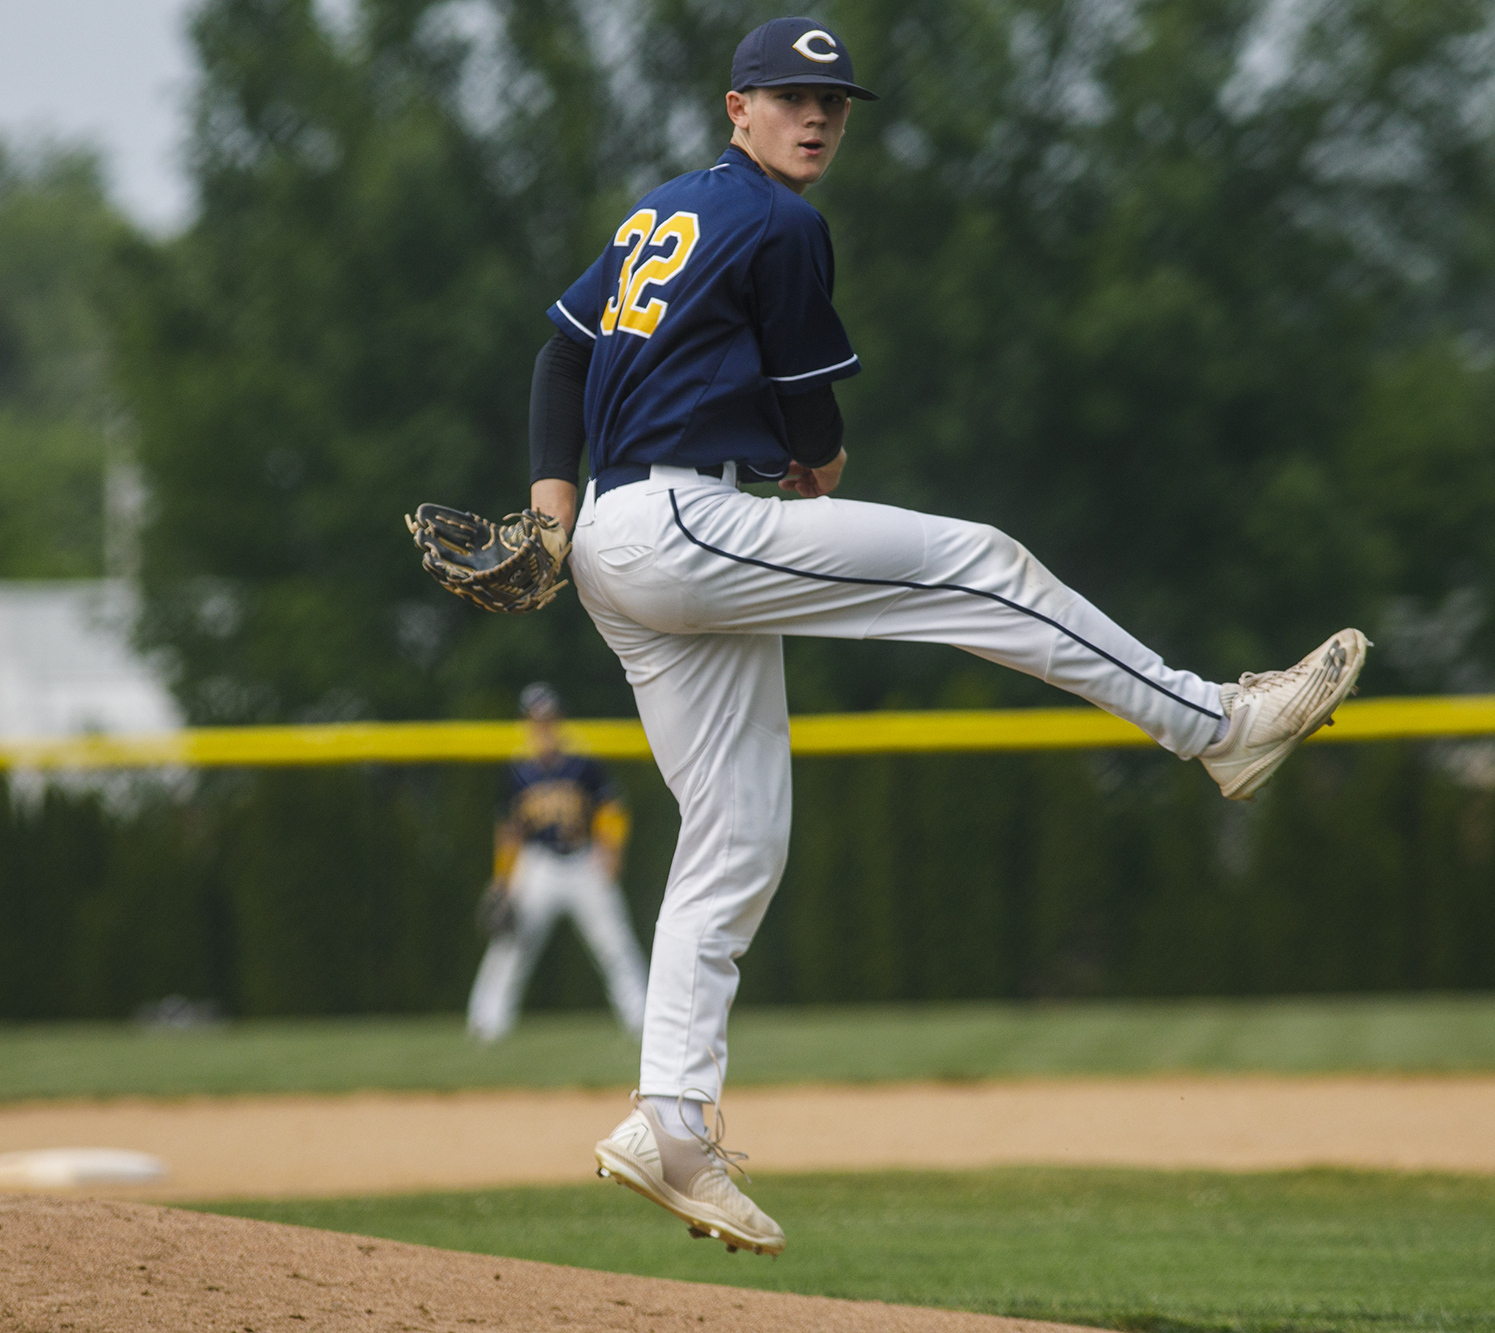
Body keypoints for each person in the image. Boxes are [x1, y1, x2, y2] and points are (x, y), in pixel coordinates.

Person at [523, 17, 1367, 1256]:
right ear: (736, 107)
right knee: (975, 560)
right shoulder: (778, 222)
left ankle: (672, 1126)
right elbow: (808, 417)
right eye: (789, 96)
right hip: (683, 521)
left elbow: (562, 352)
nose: (816, 116)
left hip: (620, 539)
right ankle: (1215, 724)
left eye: (833, 102)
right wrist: (817, 462)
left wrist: (551, 519)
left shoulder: (661, 211)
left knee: (738, 831)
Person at [465, 682, 649, 1043]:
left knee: (616, 944)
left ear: (559, 719)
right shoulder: (517, 771)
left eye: (548, 717)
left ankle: (642, 1018)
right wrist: (502, 878)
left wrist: (611, 850)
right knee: (511, 947)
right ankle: (487, 1022)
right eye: (536, 719)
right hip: (538, 866)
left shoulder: (584, 764)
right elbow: (509, 830)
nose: (543, 725)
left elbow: (611, 809)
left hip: (584, 861)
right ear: (526, 723)